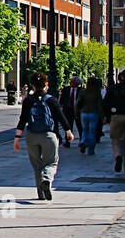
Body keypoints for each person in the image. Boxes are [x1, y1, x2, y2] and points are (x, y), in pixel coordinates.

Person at [13, 72, 73, 200]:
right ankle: (46, 180)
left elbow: (22, 120)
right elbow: (61, 117)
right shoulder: (52, 100)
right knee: (51, 162)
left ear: (32, 85)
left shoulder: (28, 101)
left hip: (32, 135)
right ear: (46, 84)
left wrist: (17, 138)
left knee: (36, 165)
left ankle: (40, 193)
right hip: (49, 135)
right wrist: (68, 131)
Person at [78, 77, 105, 155]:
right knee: (92, 132)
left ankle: (83, 141)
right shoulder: (97, 93)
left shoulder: (83, 92)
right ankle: (91, 150)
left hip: (84, 112)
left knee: (85, 129)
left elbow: (78, 103)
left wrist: (77, 112)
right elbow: (99, 106)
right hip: (94, 113)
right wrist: (102, 116)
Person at [59, 77, 82, 149]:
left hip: (78, 110)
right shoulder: (66, 89)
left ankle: (82, 141)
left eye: (72, 81)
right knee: (68, 126)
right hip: (68, 110)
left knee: (80, 126)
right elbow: (62, 99)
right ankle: (67, 141)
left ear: (77, 83)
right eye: (71, 81)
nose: (70, 83)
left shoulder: (81, 90)